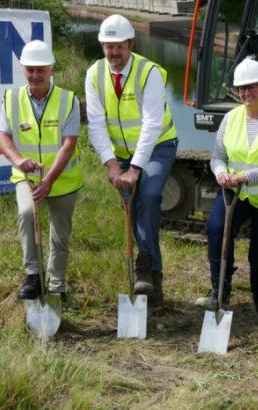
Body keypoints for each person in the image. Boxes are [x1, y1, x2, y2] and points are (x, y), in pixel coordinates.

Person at [85, 15, 179, 312]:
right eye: (108, 46)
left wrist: (135, 168)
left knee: (149, 196)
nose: (114, 53)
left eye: (120, 47)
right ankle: (154, 290)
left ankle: (145, 267)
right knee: (136, 211)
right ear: (101, 44)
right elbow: (96, 125)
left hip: (157, 146)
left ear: (130, 45)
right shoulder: (94, 74)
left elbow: (152, 124)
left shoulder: (148, 72)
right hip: (121, 155)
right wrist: (112, 164)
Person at [194, 59, 258, 329]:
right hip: (235, 194)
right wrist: (221, 174)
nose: (246, 94)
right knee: (216, 230)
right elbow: (218, 157)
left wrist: (244, 176)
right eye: (241, 89)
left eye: (252, 88)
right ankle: (219, 290)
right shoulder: (231, 118)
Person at [0, 40, 82, 303]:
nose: (35, 76)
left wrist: (48, 181)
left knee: (59, 233)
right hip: (27, 179)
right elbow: (2, 138)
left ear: (52, 69)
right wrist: (18, 160)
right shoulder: (11, 98)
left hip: (63, 180)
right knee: (25, 213)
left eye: (41, 70)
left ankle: (57, 285)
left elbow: (69, 144)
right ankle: (33, 275)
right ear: (24, 70)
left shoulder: (69, 100)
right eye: (30, 70)